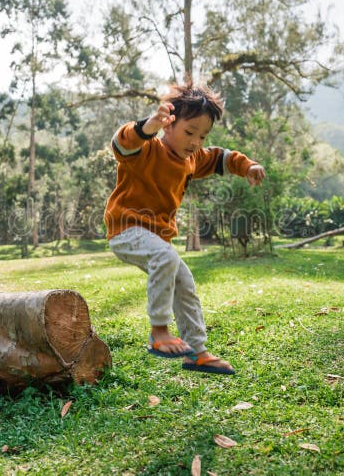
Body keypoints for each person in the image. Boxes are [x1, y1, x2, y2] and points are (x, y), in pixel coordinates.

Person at [104, 83, 266, 375]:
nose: (195, 141)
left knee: (185, 282)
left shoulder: (192, 158)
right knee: (166, 257)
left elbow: (221, 157)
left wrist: (248, 166)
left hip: (156, 237)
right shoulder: (146, 149)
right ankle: (159, 332)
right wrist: (148, 125)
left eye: (202, 135)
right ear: (169, 125)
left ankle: (198, 353)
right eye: (189, 132)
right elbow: (121, 142)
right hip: (125, 228)